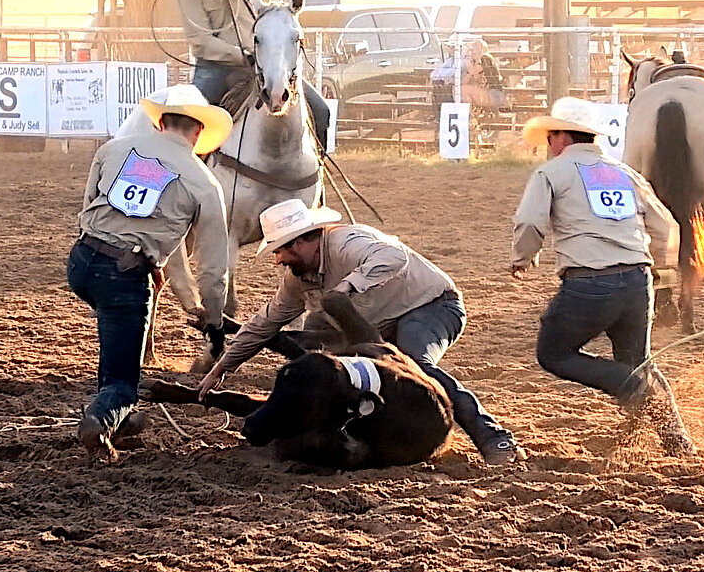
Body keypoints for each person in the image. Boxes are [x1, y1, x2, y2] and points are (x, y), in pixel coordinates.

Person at [197, 199, 526, 466]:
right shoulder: (299, 279)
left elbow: (393, 256)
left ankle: (493, 437)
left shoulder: (346, 243)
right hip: (375, 327)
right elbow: (264, 323)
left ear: (302, 241)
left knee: (416, 364)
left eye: (282, 250)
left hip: (429, 306)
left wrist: (344, 290)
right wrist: (222, 367)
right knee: (335, 368)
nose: (280, 259)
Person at [510, 97, 696, 456]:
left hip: (589, 283)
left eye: (551, 136)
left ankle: (629, 388)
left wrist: (523, 257)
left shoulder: (551, 173)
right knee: (640, 362)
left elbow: (531, 221)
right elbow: (667, 226)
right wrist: (663, 274)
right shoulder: (624, 173)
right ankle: (679, 442)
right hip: (639, 282)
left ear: (562, 138)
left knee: (554, 352)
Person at [68, 84, 234, 455]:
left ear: (160, 124)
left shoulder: (113, 149)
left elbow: (90, 204)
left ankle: (123, 420)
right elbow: (212, 267)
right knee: (124, 381)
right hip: (123, 276)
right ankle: (102, 416)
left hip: (82, 262)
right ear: (198, 133)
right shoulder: (204, 183)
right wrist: (214, 317)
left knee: (117, 337)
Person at [173, 0, 331, 145]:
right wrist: (243, 55)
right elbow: (201, 41)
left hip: (261, 61)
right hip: (217, 67)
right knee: (191, 124)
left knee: (320, 111)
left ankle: (318, 167)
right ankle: (191, 173)